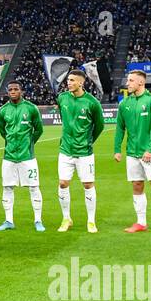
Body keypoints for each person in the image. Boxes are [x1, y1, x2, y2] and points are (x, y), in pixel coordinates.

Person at [112, 70, 151, 235]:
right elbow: (119, 128)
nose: (127, 83)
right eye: (128, 80)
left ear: (140, 82)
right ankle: (141, 222)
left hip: (150, 153)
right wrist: (117, 149)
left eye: (131, 80)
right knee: (137, 185)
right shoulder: (124, 104)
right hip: (132, 152)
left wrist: (149, 150)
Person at [56, 70, 104, 233]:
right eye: (68, 80)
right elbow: (64, 118)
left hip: (84, 152)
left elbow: (99, 126)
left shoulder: (92, 103)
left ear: (81, 83)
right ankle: (66, 218)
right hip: (66, 151)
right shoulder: (62, 98)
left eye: (72, 80)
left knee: (88, 184)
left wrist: (88, 141)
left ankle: (91, 221)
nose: (68, 82)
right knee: (63, 183)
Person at [0, 80, 45, 232]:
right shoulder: (3, 111)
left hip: (27, 157)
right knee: (7, 187)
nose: (12, 91)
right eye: (10, 89)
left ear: (21, 91)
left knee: (34, 187)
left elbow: (38, 130)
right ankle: (8, 220)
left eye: (16, 89)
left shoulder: (31, 108)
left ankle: (38, 220)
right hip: (9, 156)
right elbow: (3, 132)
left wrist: (29, 143)